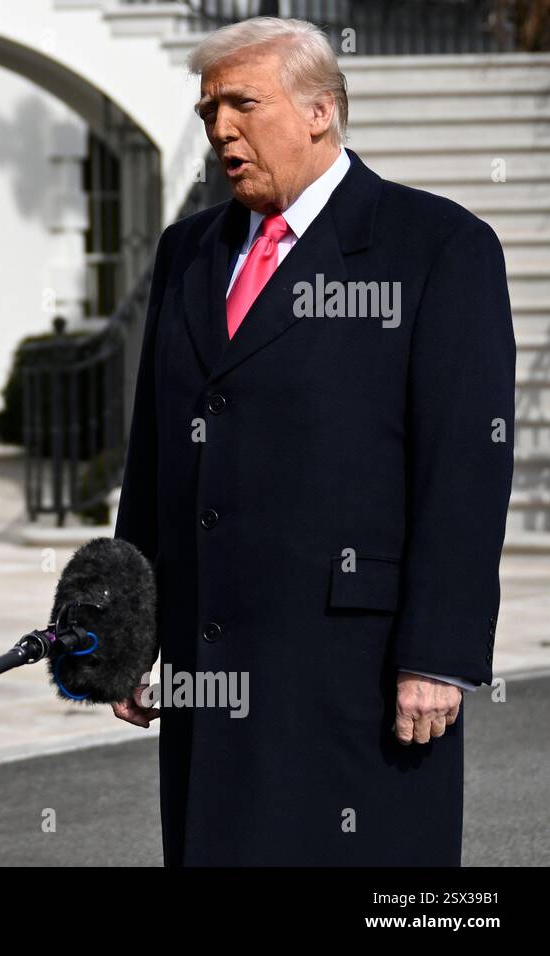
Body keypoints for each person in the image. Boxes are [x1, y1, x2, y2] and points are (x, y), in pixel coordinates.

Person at [109, 17, 513, 865]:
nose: (221, 127)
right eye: (209, 108)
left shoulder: (438, 247)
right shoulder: (187, 250)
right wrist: (127, 626)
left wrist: (437, 654)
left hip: (351, 674)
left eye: (243, 104)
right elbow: (153, 460)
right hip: (210, 659)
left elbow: (464, 470)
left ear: (321, 109)